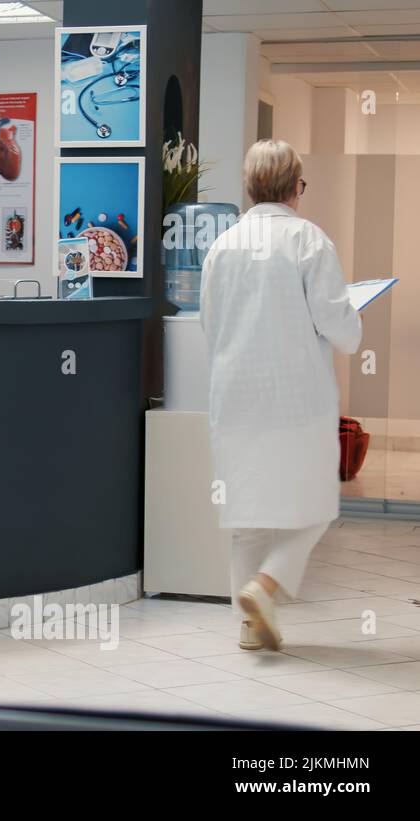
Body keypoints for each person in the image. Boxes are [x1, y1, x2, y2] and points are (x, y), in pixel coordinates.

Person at [200, 139, 362, 652]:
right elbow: (340, 327)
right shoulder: (309, 241)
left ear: (249, 188)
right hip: (297, 402)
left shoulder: (222, 246)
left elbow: (211, 324)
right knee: (313, 507)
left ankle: (250, 628)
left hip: (235, 400)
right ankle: (265, 588)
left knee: (248, 518)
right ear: (296, 186)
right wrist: (354, 318)